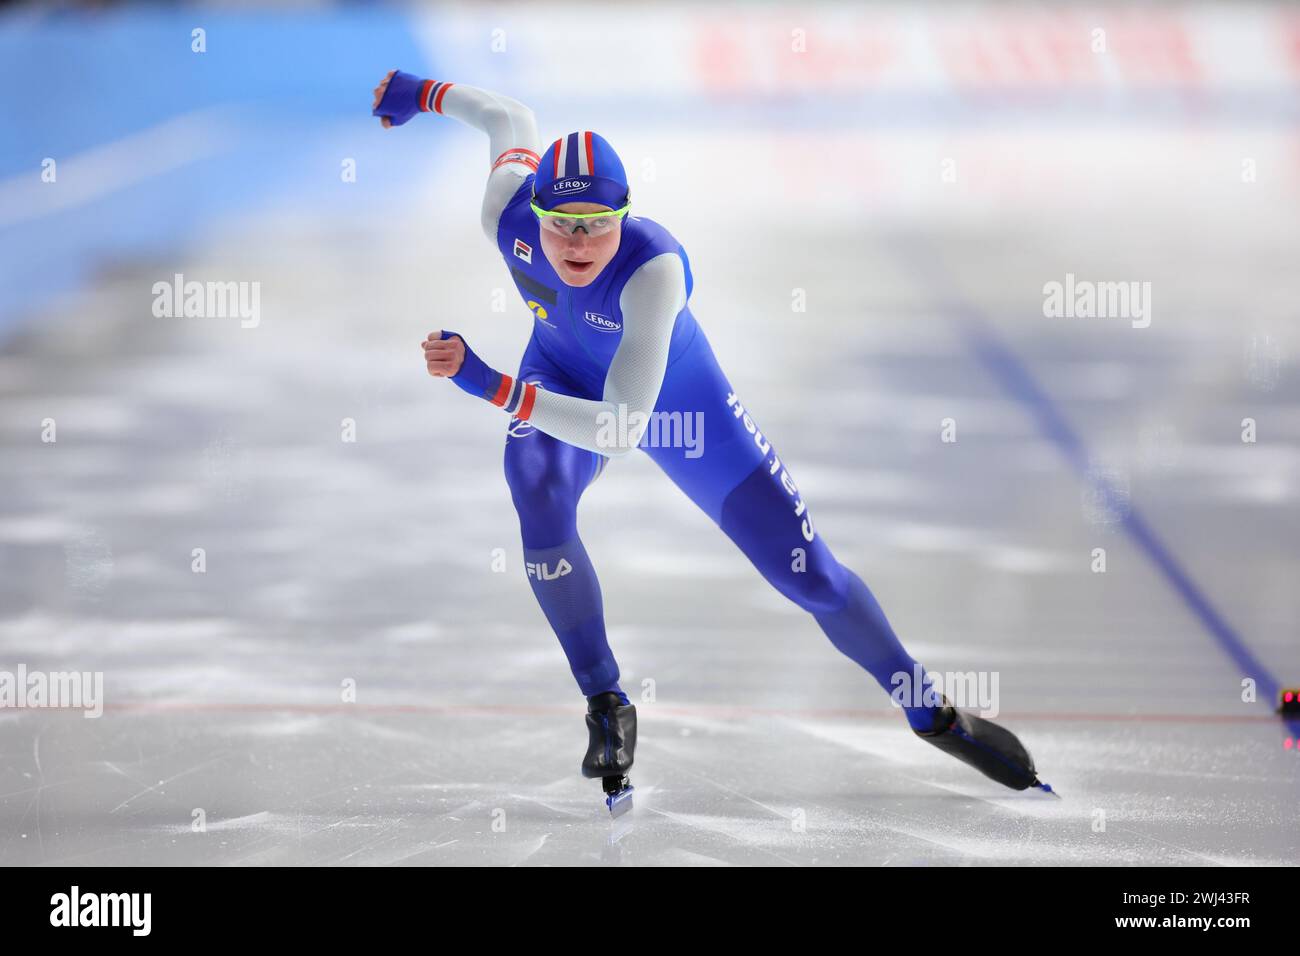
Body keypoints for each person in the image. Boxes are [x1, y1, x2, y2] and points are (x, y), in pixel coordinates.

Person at [372, 70, 1052, 813]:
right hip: (561, 375)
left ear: (625, 219)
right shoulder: (503, 211)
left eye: (597, 223)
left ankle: (930, 712)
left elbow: (625, 428)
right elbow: (507, 113)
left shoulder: (652, 269)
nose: (576, 242)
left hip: (676, 409)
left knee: (809, 576)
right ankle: (607, 703)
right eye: (560, 223)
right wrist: (419, 92)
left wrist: (490, 383)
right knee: (534, 486)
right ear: (531, 208)